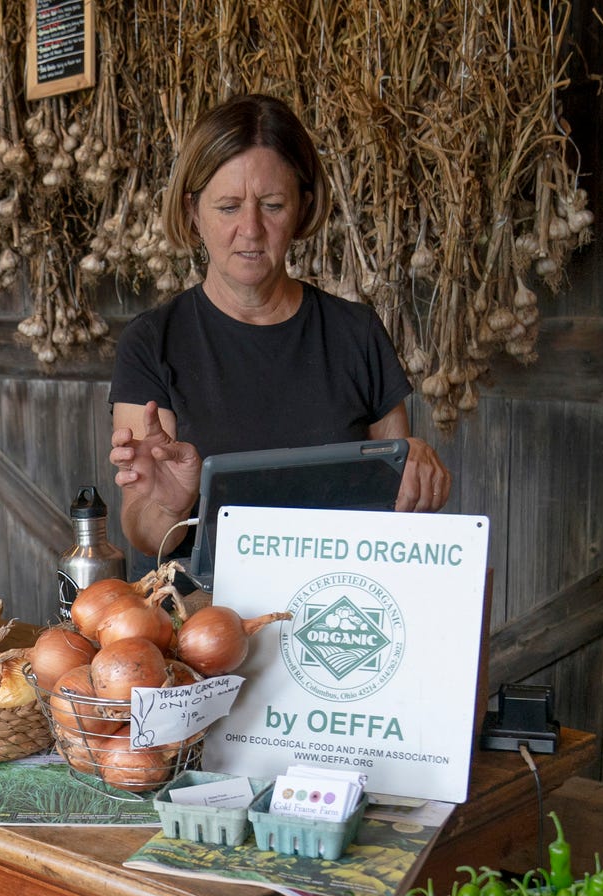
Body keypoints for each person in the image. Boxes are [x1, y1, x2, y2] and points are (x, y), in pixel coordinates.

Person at [108, 93, 454, 559]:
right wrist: (171, 505)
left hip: (335, 598)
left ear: (302, 207)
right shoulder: (153, 343)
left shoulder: (357, 334)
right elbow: (143, 531)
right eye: (228, 207)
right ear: (193, 211)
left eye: (271, 204)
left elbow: (394, 508)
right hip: (207, 613)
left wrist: (417, 467)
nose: (250, 229)